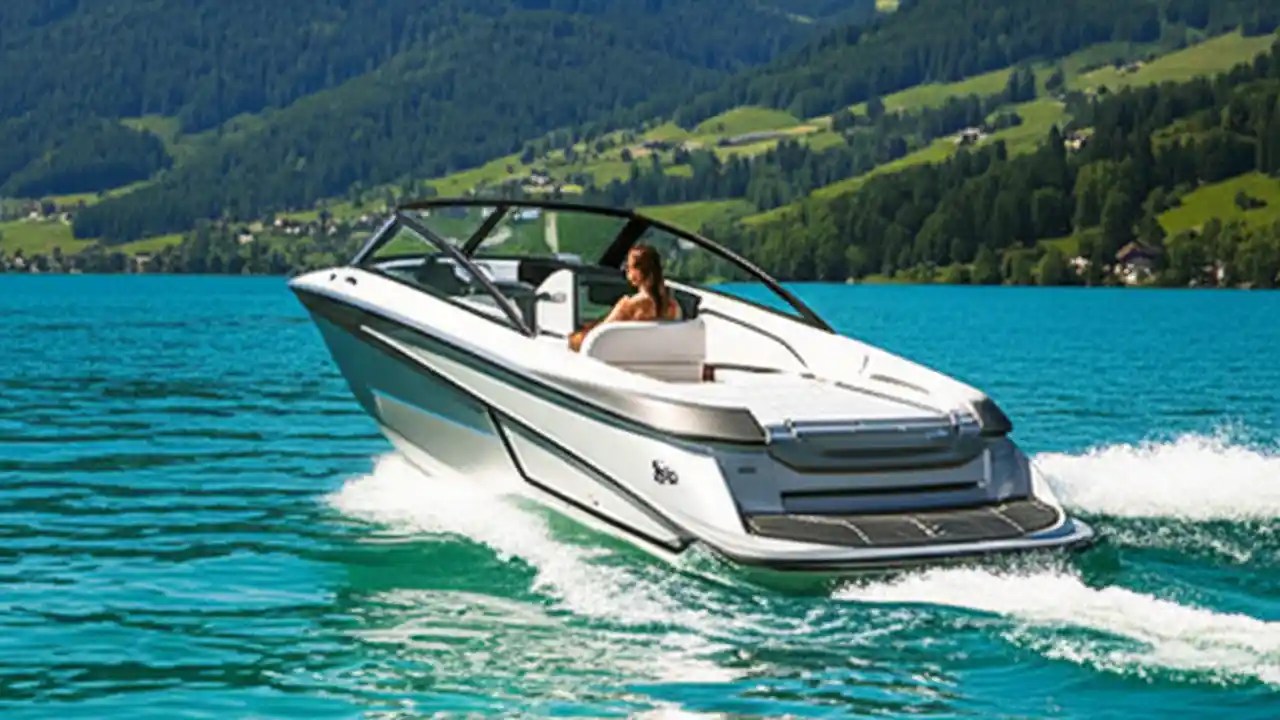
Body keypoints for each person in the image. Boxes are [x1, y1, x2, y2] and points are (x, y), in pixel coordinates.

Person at [569, 244, 680, 352]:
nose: (626, 270)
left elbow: (598, 337)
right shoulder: (673, 308)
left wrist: (573, 340)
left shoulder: (629, 306)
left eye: (629, 267)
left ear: (639, 273)